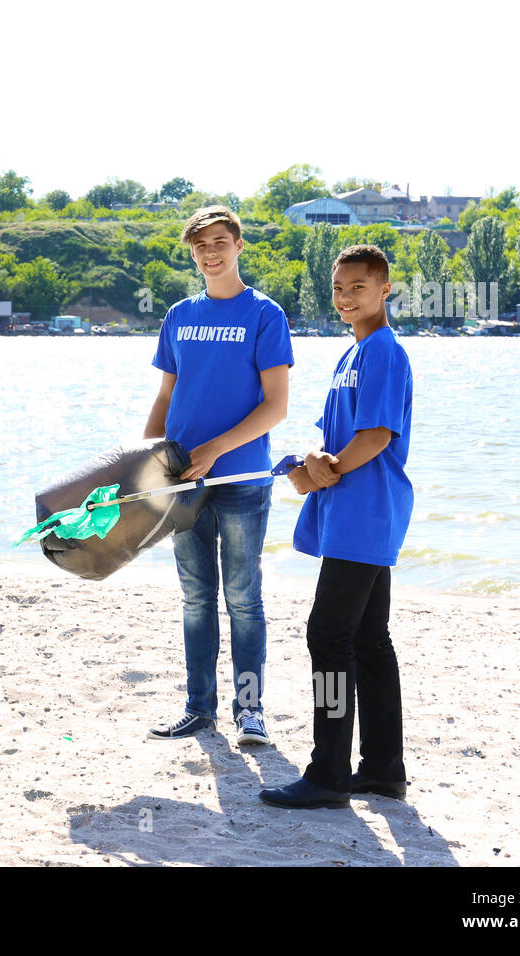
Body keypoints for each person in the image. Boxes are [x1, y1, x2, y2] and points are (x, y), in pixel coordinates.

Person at [259, 245, 414, 809]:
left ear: (384, 289)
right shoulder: (350, 354)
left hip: (367, 513)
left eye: (358, 287)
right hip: (352, 514)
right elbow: (327, 432)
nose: (346, 298)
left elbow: (375, 436)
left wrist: (322, 476)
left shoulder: (385, 353)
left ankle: (328, 773)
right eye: (339, 288)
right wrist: (309, 458)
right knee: (369, 640)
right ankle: (382, 770)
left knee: (328, 637)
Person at [144, 205, 293, 746]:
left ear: (239, 246)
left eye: (220, 241)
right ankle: (198, 708)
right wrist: (142, 465)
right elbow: (166, 397)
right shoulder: (179, 314)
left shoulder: (264, 314)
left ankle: (250, 711)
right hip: (183, 480)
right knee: (195, 598)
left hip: (242, 480)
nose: (210, 251)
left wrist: (213, 451)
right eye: (200, 244)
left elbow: (275, 408)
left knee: (243, 597)